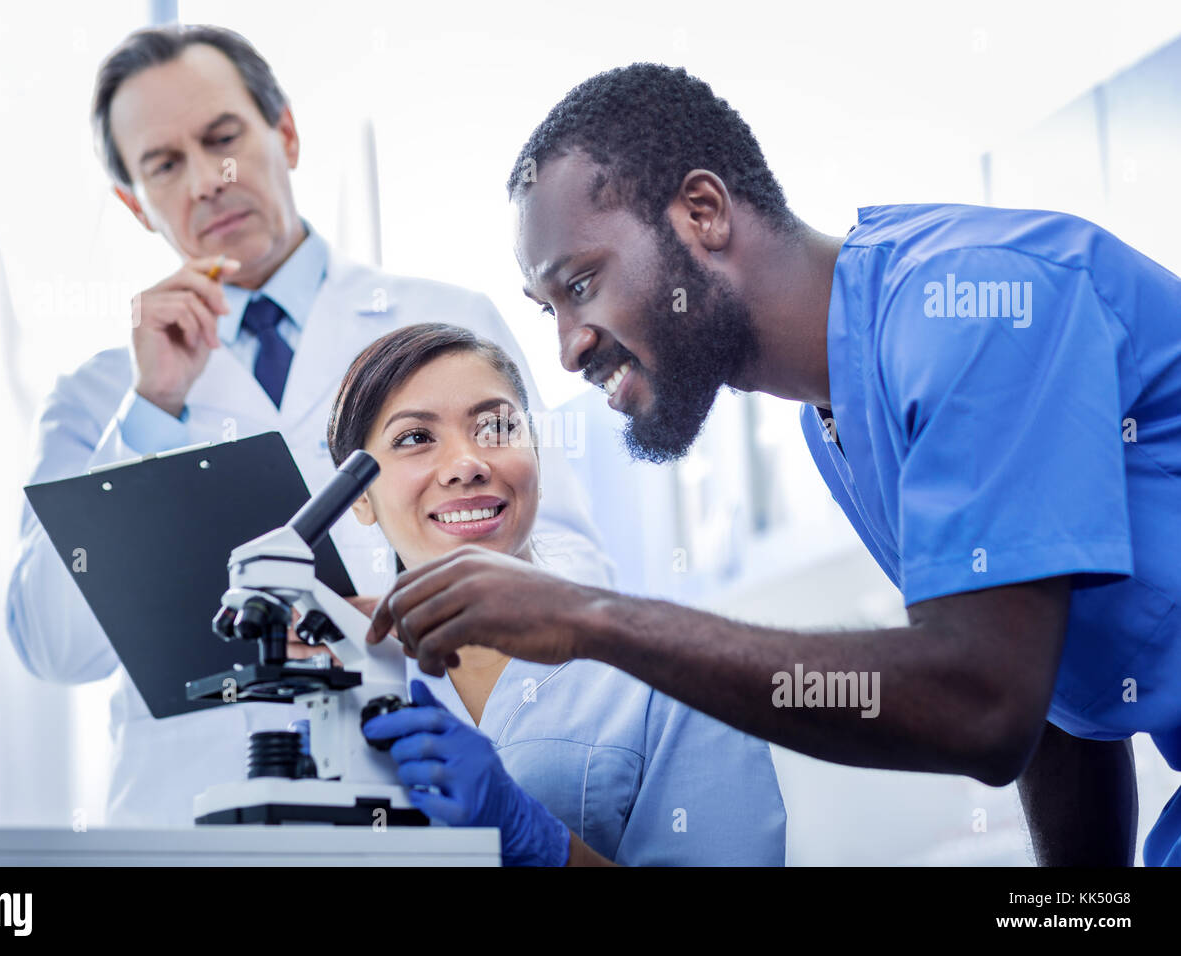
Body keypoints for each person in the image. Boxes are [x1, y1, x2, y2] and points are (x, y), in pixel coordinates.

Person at [366, 64, 1181, 867]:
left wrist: (592, 618)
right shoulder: (834, 423)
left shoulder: (969, 305)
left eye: (581, 283)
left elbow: (983, 701)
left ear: (702, 211)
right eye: (550, 310)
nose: (570, 346)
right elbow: (1048, 697)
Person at [5, 24, 611, 828]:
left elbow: (570, 567)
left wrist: (392, 612)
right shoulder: (101, 398)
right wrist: (152, 412)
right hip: (178, 823)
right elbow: (50, 644)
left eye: (222, 138)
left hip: (402, 803)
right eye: (163, 164)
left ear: (284, 133)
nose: (206, 182)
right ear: (133, 202)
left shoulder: (446, 321)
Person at [326, 322, 785, 865]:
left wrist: (541, 843)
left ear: (538, 459)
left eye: (496, 427)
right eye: (414, 438)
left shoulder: (671, 669)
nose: (467, 465)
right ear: (357, 496)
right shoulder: (328, 688)